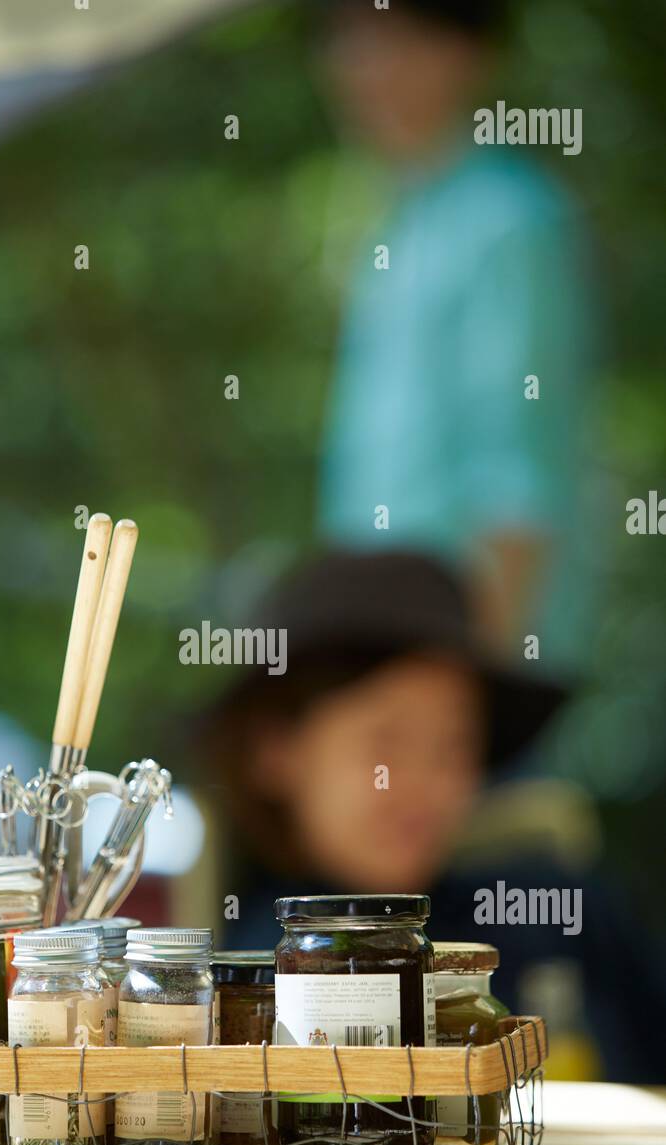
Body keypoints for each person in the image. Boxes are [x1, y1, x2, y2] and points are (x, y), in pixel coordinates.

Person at [144, 550, 666, 1145]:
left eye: (452, 747)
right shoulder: (240, 976)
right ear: (276, 750)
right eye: (386, 741)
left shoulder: (555, 910)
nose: (422, 784)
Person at [314, 0, 597, 676]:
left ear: (468, 54)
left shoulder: (509, 219)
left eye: (396, 40)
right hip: (386, 666)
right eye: (348, 40)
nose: (365, 69)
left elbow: (517, 483)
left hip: (460, 675)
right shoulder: (400, 222)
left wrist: (474, 699)